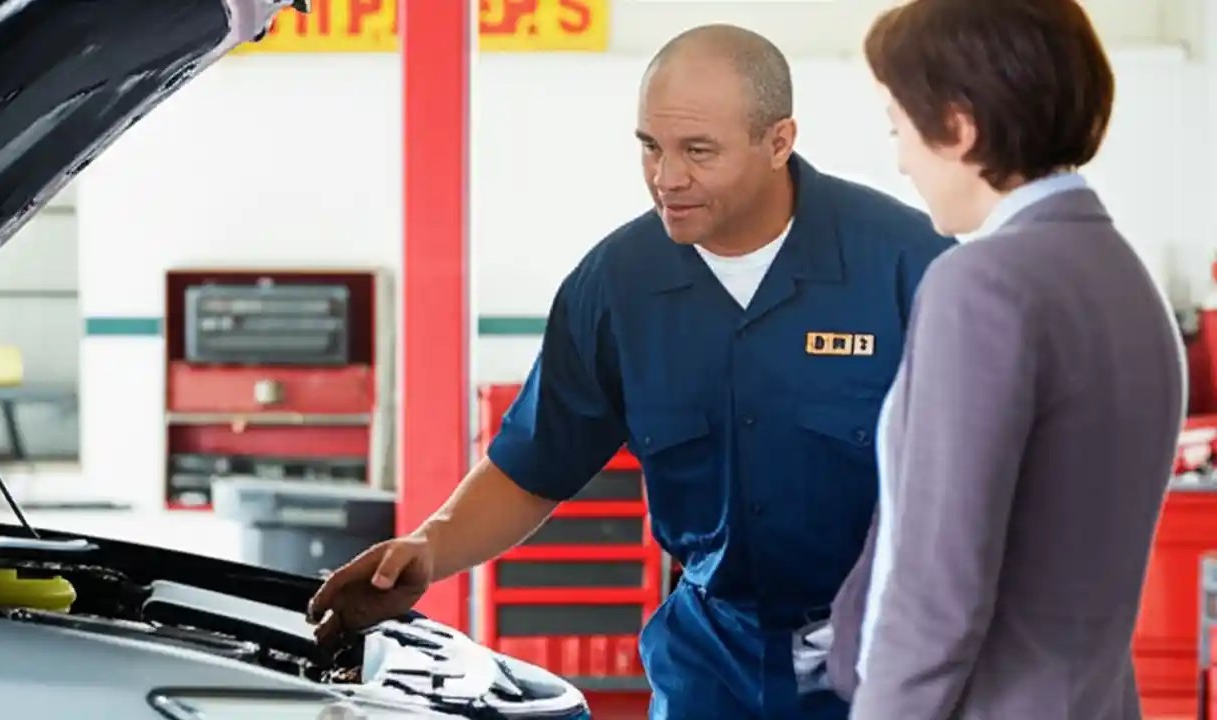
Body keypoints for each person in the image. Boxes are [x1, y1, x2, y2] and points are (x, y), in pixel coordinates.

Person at [308, 23, 953, 720]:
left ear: (778, 142)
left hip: (887, 657)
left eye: (698, 151)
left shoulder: (907, 265)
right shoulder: (618, 286)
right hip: (713, 664)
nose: (666, 178)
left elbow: (993, 477)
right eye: (650, 146)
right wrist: (428, 548)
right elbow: (534, 466)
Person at [824, 1, 1187, 719]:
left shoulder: (981, 284)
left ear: (958, 126)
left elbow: (937, 597)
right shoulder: (1123, 276)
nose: (900, 160)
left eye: (899, 127)